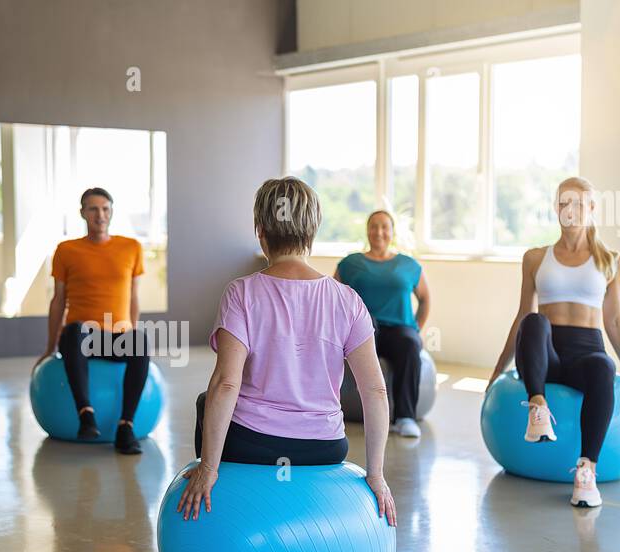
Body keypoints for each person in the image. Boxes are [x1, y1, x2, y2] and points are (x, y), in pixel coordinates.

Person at [176, 177, 397, 528]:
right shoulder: (347, 299)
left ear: (259, 230)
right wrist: (377, 475)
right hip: (323, 448)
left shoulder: (241, 292)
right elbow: (375, 391)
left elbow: (225, 385)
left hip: (253, 443)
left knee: (207, 400)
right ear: (313, 229)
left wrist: (208, 468)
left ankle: (225, 506)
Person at [487, 176, 620, 508]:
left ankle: (586, 471)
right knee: (534, 321)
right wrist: (496, 371)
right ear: (555, 209)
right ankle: (538, 408)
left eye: (577, 203)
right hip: (545, 354)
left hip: (586, 354)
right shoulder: (535, 258)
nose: (569, 210)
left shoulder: (610, 260)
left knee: (604, 365)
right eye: (563, 203)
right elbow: (521, 318)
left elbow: (614, 322)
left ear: (591, 209)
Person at [36, 187, 149, 454]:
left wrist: (131, 329)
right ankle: (86, 415)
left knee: (140, 339)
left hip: (116, 337)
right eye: (93, 209)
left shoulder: (131, 247)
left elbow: (133, 297)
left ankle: (126, 427)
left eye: (105, 208)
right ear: (82, 213)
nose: (100, 215)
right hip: (82, 337)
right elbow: (58, 300)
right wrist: (50, 347)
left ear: (111, 212)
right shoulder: (66, 250)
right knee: (75, 331)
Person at [334, 210, 432, 438]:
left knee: (409, 342)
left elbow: (425, 299)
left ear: (392, 232)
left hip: (399, 330)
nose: (379, 232)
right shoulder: (350, 263)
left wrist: (416, 329)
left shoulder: (408, 265)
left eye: (384, 227)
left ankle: (405, 418)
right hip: (364, 330)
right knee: (369, 322)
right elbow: (333, 299)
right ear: (367, 231)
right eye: (374, 226)